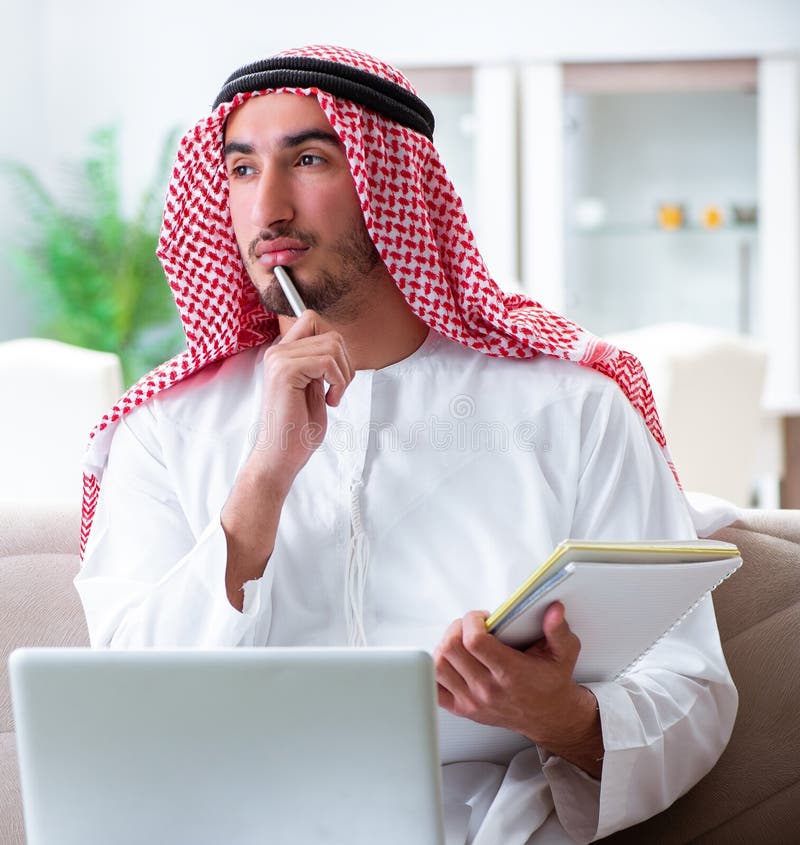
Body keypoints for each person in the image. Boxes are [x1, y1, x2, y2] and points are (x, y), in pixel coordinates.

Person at [74, 45, 737, 844]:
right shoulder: (163, 432)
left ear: (391, 183)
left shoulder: (570, 409)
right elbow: (114, 710)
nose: (269, 208)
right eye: (242, 169)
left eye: (309, 159)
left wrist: (565, 717)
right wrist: (262, 485)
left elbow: (692, 687)